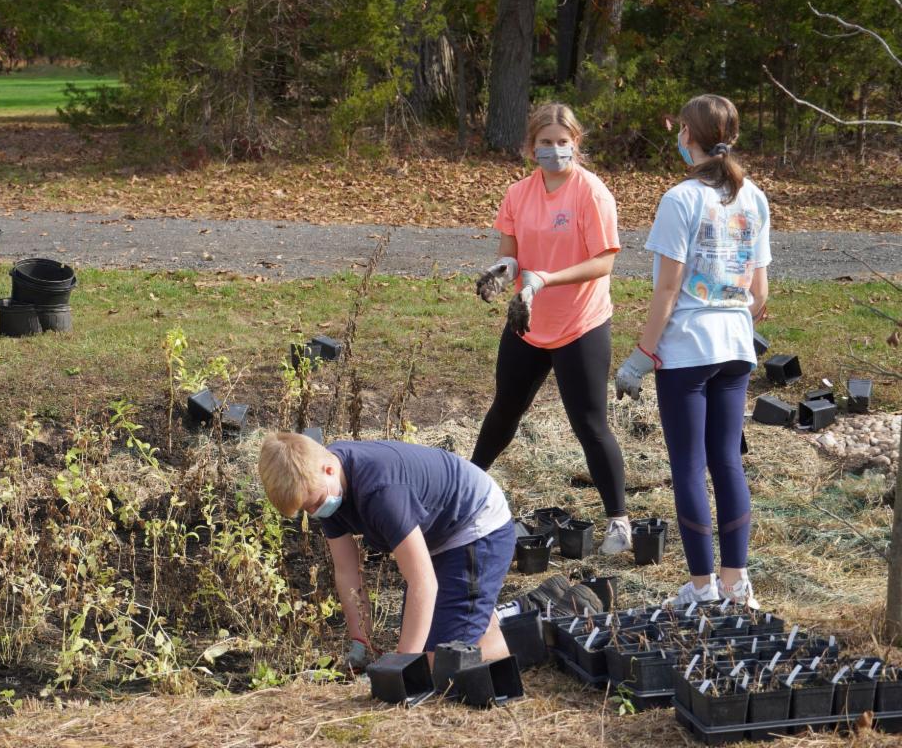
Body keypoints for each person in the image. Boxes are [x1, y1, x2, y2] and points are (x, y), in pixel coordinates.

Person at [614, 94, 769, 608]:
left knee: (687, 465)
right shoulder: (753, 197)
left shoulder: (680, 199)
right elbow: (760, 294)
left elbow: (667, 289)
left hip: (688, 350)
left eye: (681, 129)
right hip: (736, 347)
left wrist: (641, 356)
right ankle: (736, 583)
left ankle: (702, 587)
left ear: (688, 135)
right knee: (727, 461)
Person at [472, 103, 630, 555]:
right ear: (531, 147)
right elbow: (511, 252)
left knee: (590, 424)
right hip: (527, 317)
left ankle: (619, 522)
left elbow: (604, 261)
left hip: (580, 323)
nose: (554, 150)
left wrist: (546, 279)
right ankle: (464, 487)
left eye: (563, 142)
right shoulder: (518, 193)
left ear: (576, 145)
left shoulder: (591, 193)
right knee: (504, 410)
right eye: (546, 142)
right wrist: (504, 270)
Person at [258, 432, 515, 671]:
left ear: (328, 470)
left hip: (476, 525)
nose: (314, 512)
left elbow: (423, 582)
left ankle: (527, 625)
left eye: (314, 503)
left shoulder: (381, 492)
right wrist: (361, 641)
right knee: (426, 641)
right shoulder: (327, 485)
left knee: (441, 663)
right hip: (437, 536)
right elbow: (347, 571)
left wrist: (402, 668)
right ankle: (483, 617)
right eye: (306, 509)